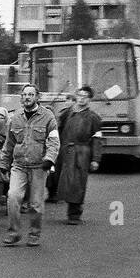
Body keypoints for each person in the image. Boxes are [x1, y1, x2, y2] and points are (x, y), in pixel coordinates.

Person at [0, 84, 60, 248]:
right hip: (19, 166)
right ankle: (13, 233)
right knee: (13, 197)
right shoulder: (15, 118)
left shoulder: (48, 117)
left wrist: (49, 159)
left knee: (36, 204)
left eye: (31, 94)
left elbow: (54, 142)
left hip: (39, 167)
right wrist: (3, 164)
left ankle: (34, 233)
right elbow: (8, 143)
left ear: (37, 97)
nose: (27, 97)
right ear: (21, 98)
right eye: (24, 94)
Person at [53, 84, 104, 224]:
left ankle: (74, 214)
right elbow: (57, 129)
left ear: (89, 100)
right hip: (65, 151)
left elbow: (97, 139)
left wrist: (96, 159)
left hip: (81, 153)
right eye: (79, 96)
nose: (81, 99)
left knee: (78, 183)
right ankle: (68, 207)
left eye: (85, 97)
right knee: (64, 180)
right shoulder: (67, 113)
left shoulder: (93, 118)